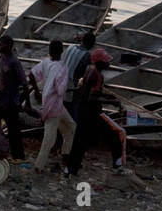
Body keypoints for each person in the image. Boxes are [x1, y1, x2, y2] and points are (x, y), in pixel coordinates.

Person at [64, 48, 124, 176]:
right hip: (91, 112)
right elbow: (92, 97)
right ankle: (117, 164)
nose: (109, 63)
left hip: (82, 111)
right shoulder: (97, 75)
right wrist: (112, 102)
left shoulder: (90, 70)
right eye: (106, 61)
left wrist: (109, 98)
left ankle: (70, 170)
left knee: (80, 142)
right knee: (117, 133)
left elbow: (93, 92)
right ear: (100, 63)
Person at [29, 38, 77, 172]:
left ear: (49, 51)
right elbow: (60, 89)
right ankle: (38, 166)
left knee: (71, 126)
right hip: (54, 106)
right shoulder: (62, 68)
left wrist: (37, 92)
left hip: (53, 104)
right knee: (49, 139)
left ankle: (65, 154)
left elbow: (31, 75)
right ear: (62, 51)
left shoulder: (45, 62)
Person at [0, 34, 30, 161]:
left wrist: (25, 102)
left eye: (1, 44)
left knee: (14, 131)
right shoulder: (2, 58)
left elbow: (24, 83)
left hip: (10, 102)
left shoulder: (14, 62)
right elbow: (1, 74)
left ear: (8, 46)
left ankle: (18, 156)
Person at [61, 31, 96, 121]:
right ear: (90, 43)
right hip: (71, 88)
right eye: (93, 44)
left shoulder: (70, 47)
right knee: (72, 113)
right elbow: (85, 76)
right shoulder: (87, 55)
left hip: (60, 83)